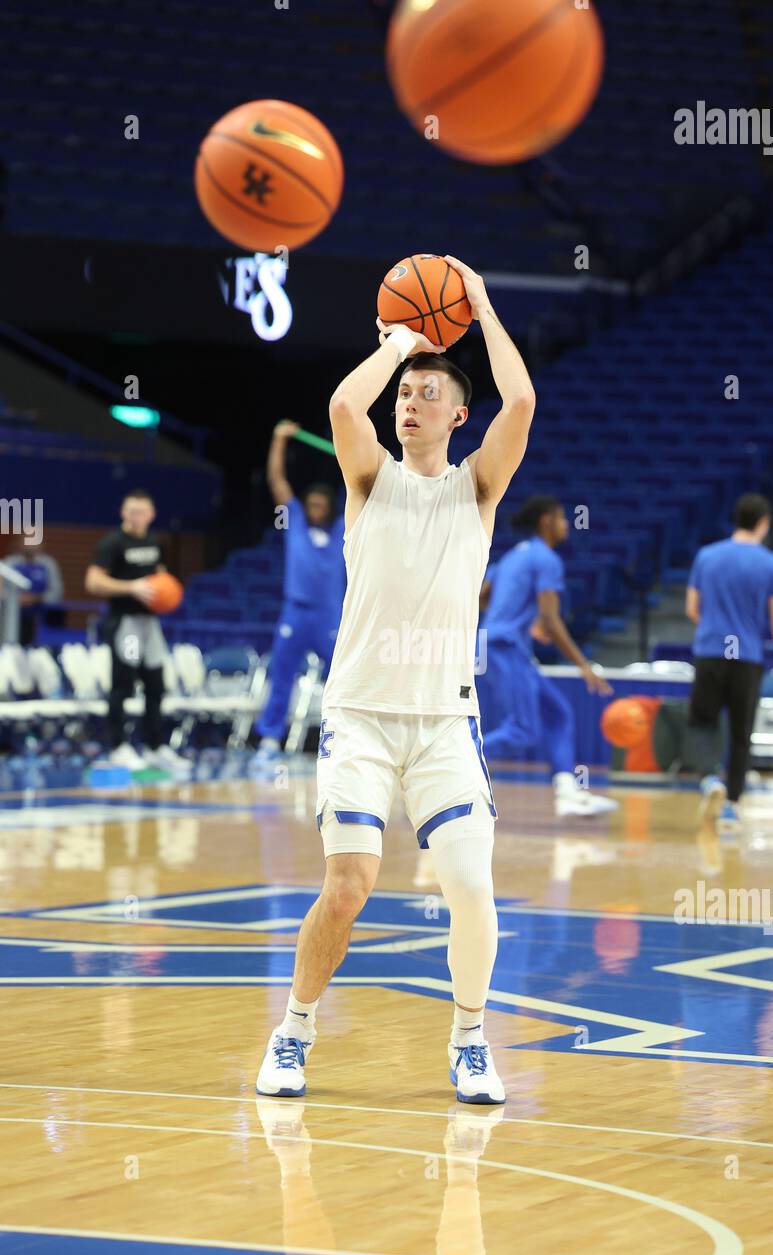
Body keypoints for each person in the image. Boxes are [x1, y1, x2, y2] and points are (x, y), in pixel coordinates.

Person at [256, 253, 536, 1106]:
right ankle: (293, 1031)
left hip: (444, 724)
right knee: (348, 887)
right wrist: (400, 342)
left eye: (426, 393)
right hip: (362, 718)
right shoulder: (369, 478)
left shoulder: (477, 488)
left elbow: (522, 402)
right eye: (404, 393)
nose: (408, 402)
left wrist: (480, 305)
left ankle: (470, 1040)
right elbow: (346, 406)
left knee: (472, 888)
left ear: (458, 414)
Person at [476, 497, 617, 816]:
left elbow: (483, 597)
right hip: (503, 647)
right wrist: (584, 666)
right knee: (522, 730)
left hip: (498, 644)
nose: (567, 525)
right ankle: (446, 762)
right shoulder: (546, 559)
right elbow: (552, 621)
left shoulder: (513, 555)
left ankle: (567, 793)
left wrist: (518, 617)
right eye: (562, 518)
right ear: (546, 521)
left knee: (558, 713)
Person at [686, 492, 773, 828]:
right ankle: (731, 806)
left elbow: (692, 609)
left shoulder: (706, 556)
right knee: (740, 734)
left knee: (702, 722)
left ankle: (709, 777)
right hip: (747, 657)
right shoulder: (772, 564)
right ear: (763, 523)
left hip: (710, 652)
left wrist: (713, 628)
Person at [254, 420, 346, 756]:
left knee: (343, 679)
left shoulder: (343, 528)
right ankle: (269, 738)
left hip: (330, 615)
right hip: (296, 611)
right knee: (282, 675)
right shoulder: (294, 522)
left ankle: (343, 738)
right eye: (311, 505)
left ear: (330, 507)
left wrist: (351, 451)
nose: (315, 510)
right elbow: (276, 480)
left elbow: (362, 490)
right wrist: (279, 439)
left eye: (321, 505)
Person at [85, 489, 188, 773]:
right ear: (123, 513)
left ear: (151, 515)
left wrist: (165, 591)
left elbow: (160, 576)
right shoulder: (112, 543)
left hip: (149, 624)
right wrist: (131, 587)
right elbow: (92, 582)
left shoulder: (154, 541)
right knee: (123, 685)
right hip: (126, 623)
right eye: (131, 511)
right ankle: (119, 746)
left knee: (156, 685)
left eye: (141, 512)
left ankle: (155, 747)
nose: (136, 517)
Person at [1, 541, 64, 646]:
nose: (30, 544)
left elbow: (56, 593)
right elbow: (2, 590)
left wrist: (35, 598)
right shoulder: (9, 562)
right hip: (12, 612)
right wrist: (15, 598)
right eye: (26, 540)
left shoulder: (48, 564)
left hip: (40, 612)